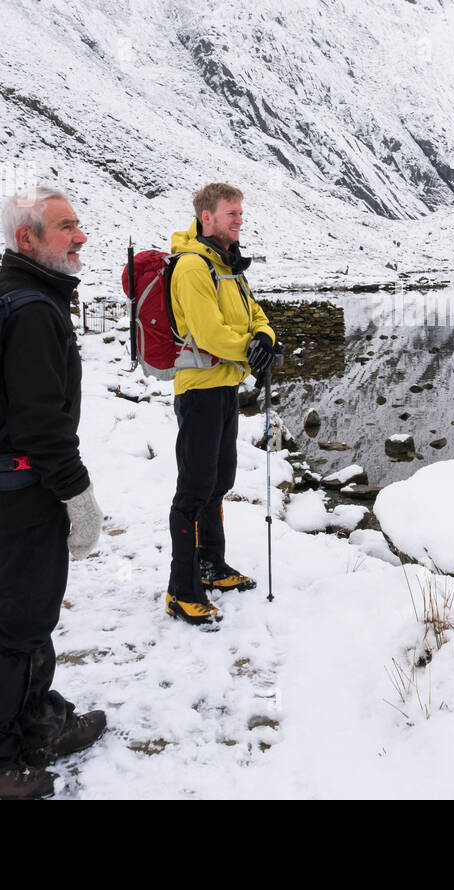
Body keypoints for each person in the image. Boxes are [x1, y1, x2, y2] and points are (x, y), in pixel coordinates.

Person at [0, 187, 107, 799]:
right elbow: (43, 425)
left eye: (78, 225)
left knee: (29, 611)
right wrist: (78, 497)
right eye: (67, 227)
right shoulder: (35, 310)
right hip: (21, 495)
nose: (80, 237)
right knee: (18, 625)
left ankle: (37, 718)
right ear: (28, 240)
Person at [165, 182, 277, 627]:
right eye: (231, 213)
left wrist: (264, 338)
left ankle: (212, 565)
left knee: (218, 480)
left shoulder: (227, 266)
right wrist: (252, 351)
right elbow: (209, 334)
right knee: (194, 489)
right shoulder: (193, 267)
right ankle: (182, 588)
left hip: (225, 386)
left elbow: (256, 315)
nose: (239, 219)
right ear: (206, 217)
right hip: (198, 390)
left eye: (240, 212)